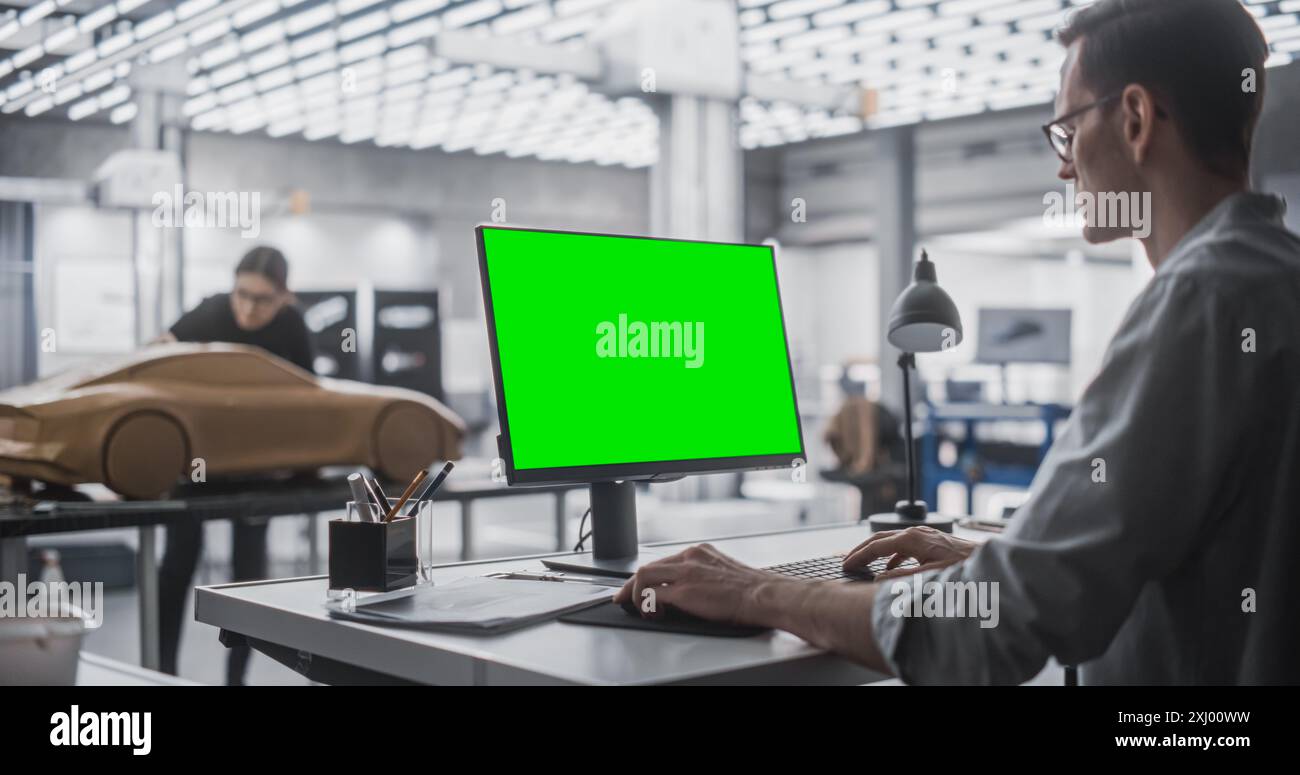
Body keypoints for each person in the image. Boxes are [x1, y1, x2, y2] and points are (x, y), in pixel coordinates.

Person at [616, 0, 1300, 684]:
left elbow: (992, 634)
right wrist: (986, 558)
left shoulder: (1198, 302)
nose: (1064, 170)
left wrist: (755, 592)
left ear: (1135, 119)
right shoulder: (1272, 278)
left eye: (1066, 131)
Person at [156, 246, 314, 684]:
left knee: (248, 580)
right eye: (241, 294)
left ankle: (235, 680)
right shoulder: (210, 311)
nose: (247, 308)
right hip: (195, 464)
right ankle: (165, 674)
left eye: (261, 299)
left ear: (284, 296)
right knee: (176, 566)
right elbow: (153, 355)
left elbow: (311, 402)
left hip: (257, 470)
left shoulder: (293, 327)